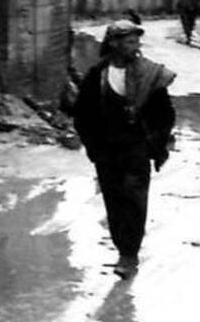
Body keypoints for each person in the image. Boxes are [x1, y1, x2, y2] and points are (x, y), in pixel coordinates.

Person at [72, 20, 176, 279]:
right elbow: (83, 115)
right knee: (114, 200)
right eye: (129, 42)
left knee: (135, 199)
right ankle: (122, 247)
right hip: (107, 150)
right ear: (114, 45)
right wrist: (93, 147)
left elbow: (165, 114)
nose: (135, 47)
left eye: (136, 42)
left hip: (136, 148)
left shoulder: (149, 74)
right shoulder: (98, 75)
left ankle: (129, 254)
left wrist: (155, 140)